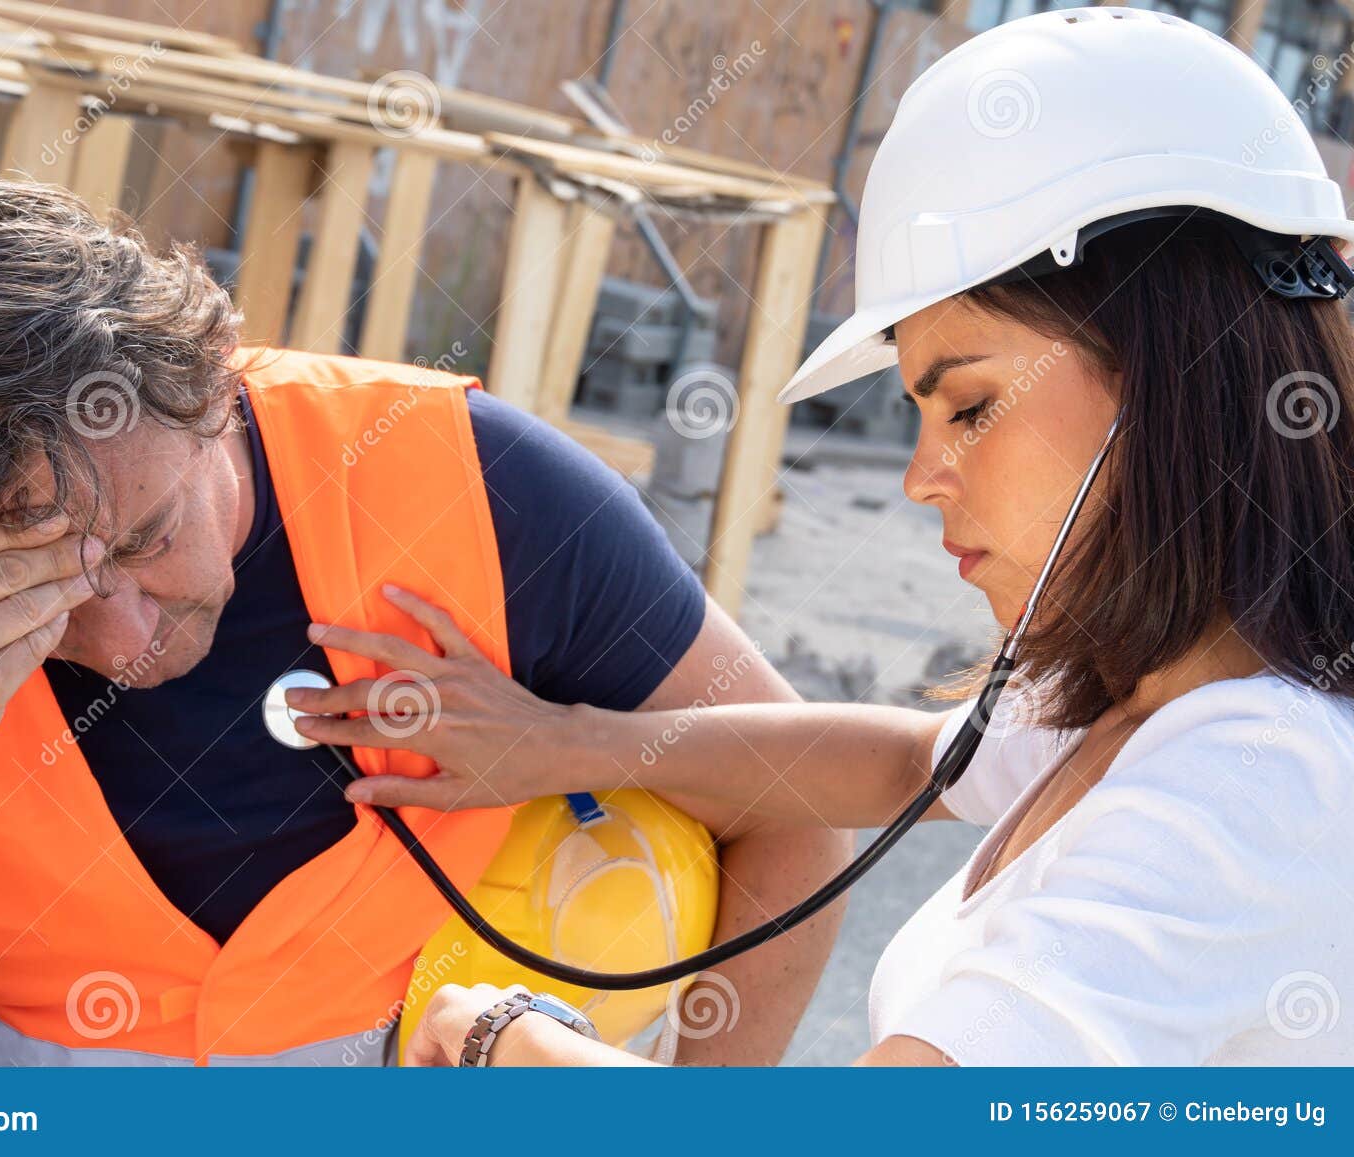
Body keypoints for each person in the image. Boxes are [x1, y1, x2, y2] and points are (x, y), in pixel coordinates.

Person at [282, 8, 1354, 1066]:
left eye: (970, 405)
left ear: (1177, 378)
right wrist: (566, 742)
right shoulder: (1150, 700)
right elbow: (898, 762)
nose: (921, 477)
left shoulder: (1253, 783)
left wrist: (502, 1038)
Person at [0, 166, 850, 1066]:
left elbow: (800, 804)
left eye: (148, 537)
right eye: (42, 591)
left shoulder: (481, 489)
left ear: (210, 383)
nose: (127, 640)